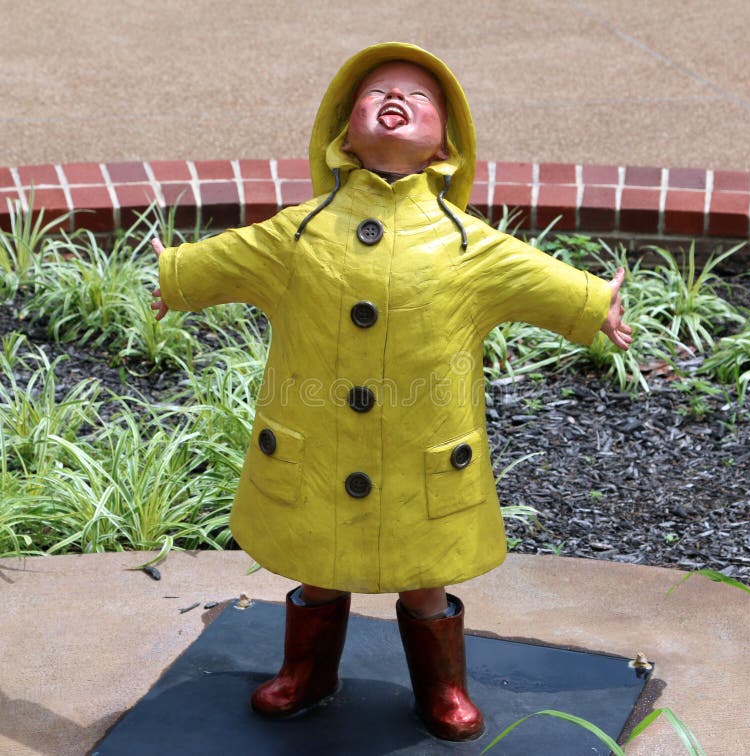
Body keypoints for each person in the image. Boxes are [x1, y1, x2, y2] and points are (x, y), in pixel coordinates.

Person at [151, 42, 632, 742]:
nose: (394, 99)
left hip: (423, 455)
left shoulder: (468, 244)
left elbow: (536, 278)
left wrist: (592, 305)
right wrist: (178, 279)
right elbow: (231, 256)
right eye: (374, 93)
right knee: (321, 557)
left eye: (418, 94)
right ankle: (307, 672)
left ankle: (442, 687)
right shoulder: (301, 234)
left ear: (448, 142)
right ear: (343, 132)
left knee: (424, 567)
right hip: (318, 444)